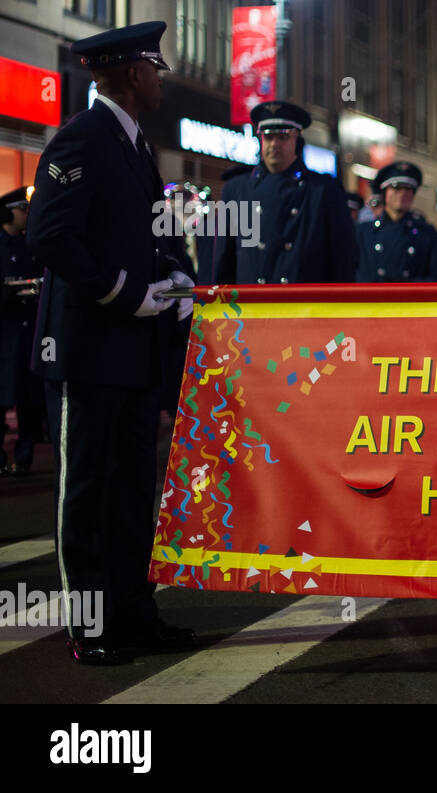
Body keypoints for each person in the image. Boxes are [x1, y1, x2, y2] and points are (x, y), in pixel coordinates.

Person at [25, 21, 195, 665]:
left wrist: (175, 275)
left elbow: (149, 232)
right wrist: (126, 292)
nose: (161, 77)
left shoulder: (132, 145)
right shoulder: (82, 138)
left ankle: (132, 610)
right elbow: (51, 235)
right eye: (156, 66)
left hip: (131, 348)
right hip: (89, 345)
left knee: (130, 489)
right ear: (130, 73)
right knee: (87, 490)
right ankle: (90, 625)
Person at [214, 100, 357, 284]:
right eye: (268, 136)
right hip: (249, 307)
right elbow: (223, 259)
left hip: (303, 307)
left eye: (283, 136)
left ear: (297, 138)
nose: (274, 144)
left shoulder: (323, 190)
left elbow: (342, 263)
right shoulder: (236, 189)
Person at [0, 186, 42, 476]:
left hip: (27, 331)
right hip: (5, 331)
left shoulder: (29, 245)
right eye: (21, 209)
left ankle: (23, 459)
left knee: (29, 399)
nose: (26, 215)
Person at [356, 161, 437, 283]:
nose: (402, 193)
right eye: (396, 188)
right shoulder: (363, 233)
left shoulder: (427, 234)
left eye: (408, 189)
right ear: (384, 193)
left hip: (412, 300)